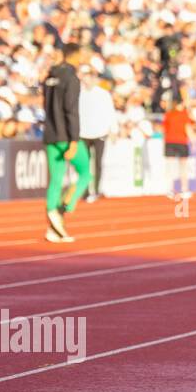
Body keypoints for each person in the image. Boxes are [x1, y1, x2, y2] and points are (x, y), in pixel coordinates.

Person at [43, 43, 92, 242]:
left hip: (50, 134)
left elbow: (46, 105)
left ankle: (53, 222)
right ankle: (63, 209)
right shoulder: (71, 78)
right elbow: (71, 110)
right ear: (76, 55)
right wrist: (73, 140)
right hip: (66, 136)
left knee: (56, 179)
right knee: (86, 173)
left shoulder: (49, 76)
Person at [78, 70, 116, 202]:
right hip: (83, 133)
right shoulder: (79, 94)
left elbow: (110, 112)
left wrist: (113, 129)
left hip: (100, 132)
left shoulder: (103, 94)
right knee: (84, 163)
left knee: (98, 162)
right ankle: (85, 190)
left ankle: (97, 189)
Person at [161, 93, 196, 201]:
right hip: (181, 142)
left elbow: (164, 130)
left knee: (170, 167)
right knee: (183, 167)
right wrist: (193, 141)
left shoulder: (168, 114)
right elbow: (188, 127)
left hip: (169, 142)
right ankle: (184, 189)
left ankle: (170, 190)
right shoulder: (184, 114)